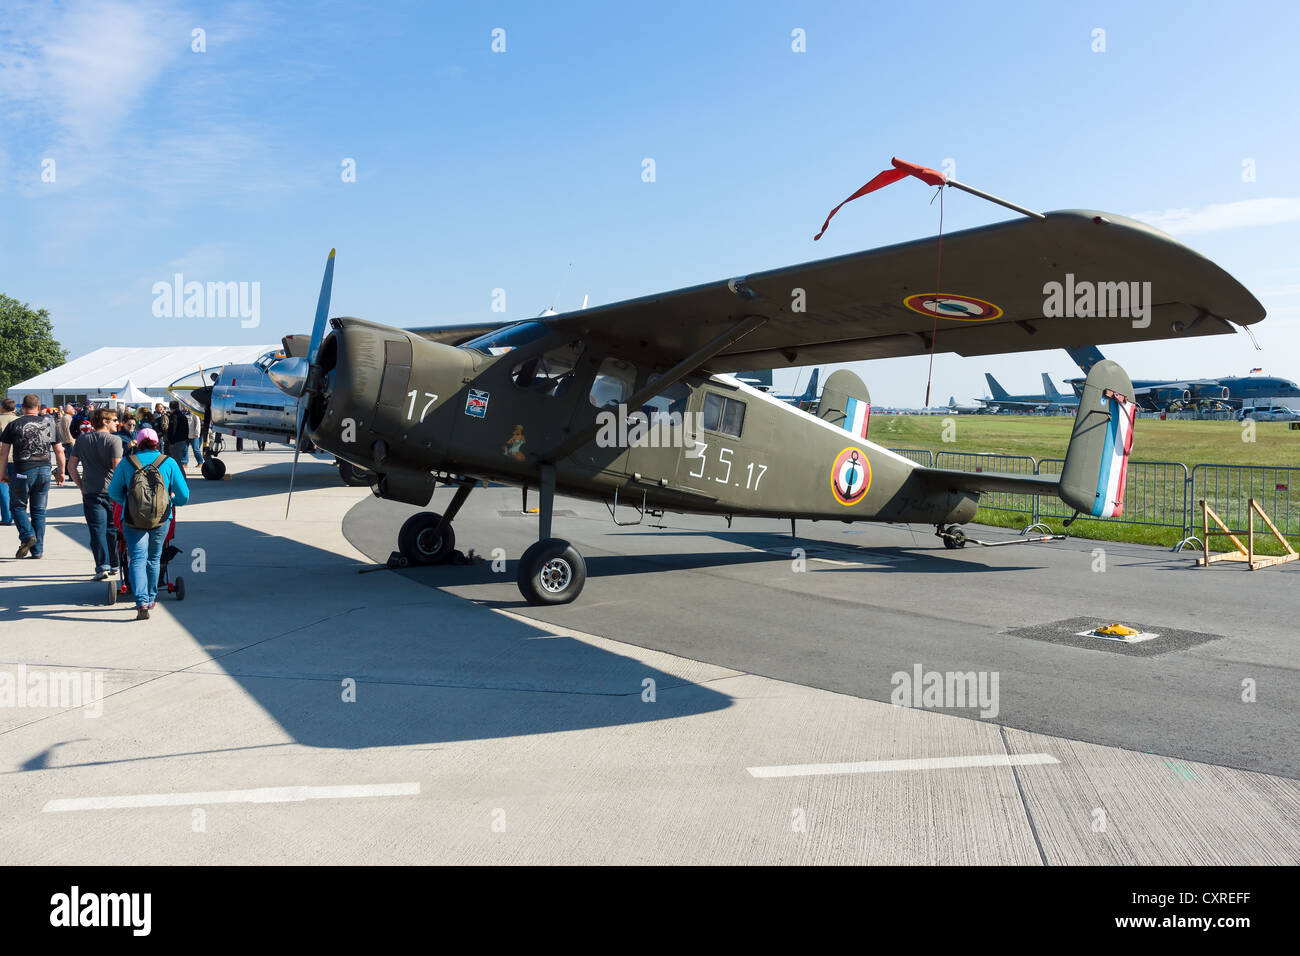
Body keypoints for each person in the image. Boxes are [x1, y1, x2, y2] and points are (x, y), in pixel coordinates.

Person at [107, 427, 189, 620]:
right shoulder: (168, 462)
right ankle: (151, 598)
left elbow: (113, 492)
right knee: (154, 558)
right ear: (156, 442)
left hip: (132, 518)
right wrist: (170, 502)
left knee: (137, 558)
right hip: (161, 519)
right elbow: (184, 496)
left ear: (138, 442)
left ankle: (141, 602)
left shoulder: (128, 462)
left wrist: (128, 502)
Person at [0, 394, 65, 559]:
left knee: (17, 506)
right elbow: (59, 451)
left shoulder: (14, 424)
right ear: (38, 408)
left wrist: (2, 473)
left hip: (23, 469)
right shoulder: (49, 423)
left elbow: (4, 453)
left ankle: (28, 535)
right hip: (44, 469)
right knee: (39, 511)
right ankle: (37, 550)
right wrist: (61, 472)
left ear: (22, 407)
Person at [69, 406, 123, 580]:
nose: (117, 423)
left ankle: (102, 566)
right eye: (114, 420)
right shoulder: (114, 441)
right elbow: (118, 468)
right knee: (112, 529)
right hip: (112, 491)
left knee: (96, 530)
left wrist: (81, 486)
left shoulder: (82, 440)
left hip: (91, 491)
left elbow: (71, 467)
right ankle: (115, 563)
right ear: (105, 422)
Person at [0, 398, 16, 527]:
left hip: (2, 458)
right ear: (14, 409)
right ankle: (19, 513)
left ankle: (6, 517)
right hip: (18, 458)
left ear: (2, 407)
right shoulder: (19, 420)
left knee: (3, 488)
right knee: (18, 488)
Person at [167, 401, 189, 469]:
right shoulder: (183, 416)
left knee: (176, 462)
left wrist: (171, 441)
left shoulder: (174, 416)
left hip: (176, 442)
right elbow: (187, 429)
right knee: (178, 461)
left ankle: (180, 478)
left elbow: (173, 430)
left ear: (170, 407)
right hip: (183, 441)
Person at [56, 404, 75, 481]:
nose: (74, 410)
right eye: (72, 409)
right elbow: (68, 431)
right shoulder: (67, 418)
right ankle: (70, 475)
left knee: (68, 460)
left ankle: (58, 471)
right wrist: (72, 441)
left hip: (66, 442)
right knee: (72, 460)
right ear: (68, 410)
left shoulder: (65, 417)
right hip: (69, 442)